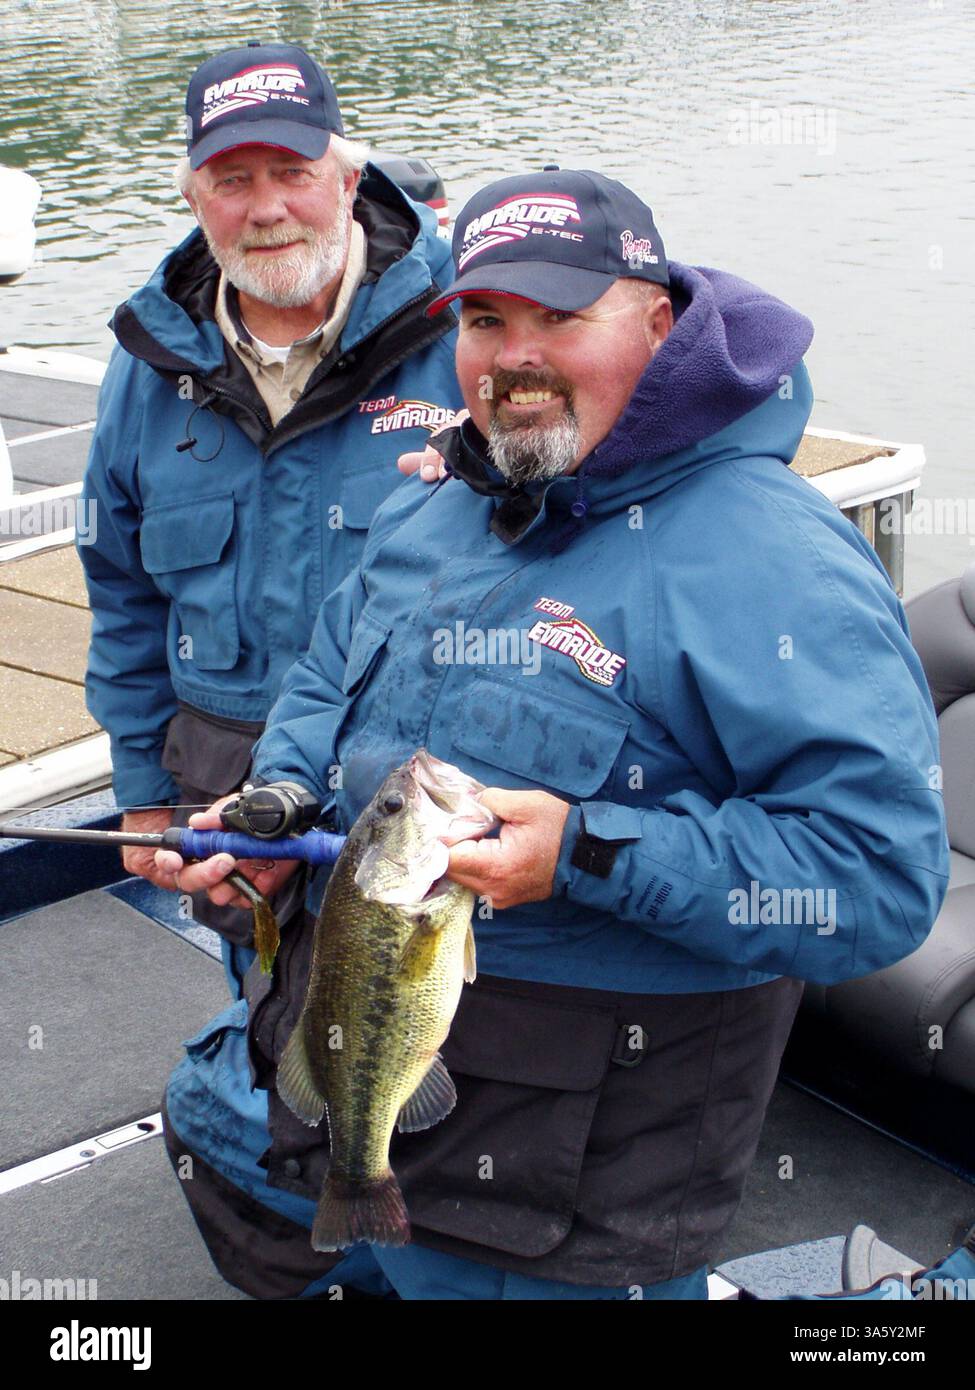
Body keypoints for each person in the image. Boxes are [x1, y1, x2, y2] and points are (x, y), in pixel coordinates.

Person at [158, 169, 956, 1299]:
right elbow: (330, 673)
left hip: (579, 1180)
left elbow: (875, 881)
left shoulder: (774, 563)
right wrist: (271, 807)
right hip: (389, 1081)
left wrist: (587, 851)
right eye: (486, 320)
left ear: (659, 320)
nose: (514, 355)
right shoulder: (439, 495)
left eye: (560, 317)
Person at [77, 39, 461, 1298]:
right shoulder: (148, 364)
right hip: (223, 770)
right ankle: (308, 1193)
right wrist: (142, 790)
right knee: (272, 1001)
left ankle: (440, 1226)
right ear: (193, 197)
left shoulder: (470, 331)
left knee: (428, 1023)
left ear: (347, 178)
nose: (264, 206)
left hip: (412, 779)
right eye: (229, 179)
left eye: (290, 170)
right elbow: (123, 596)